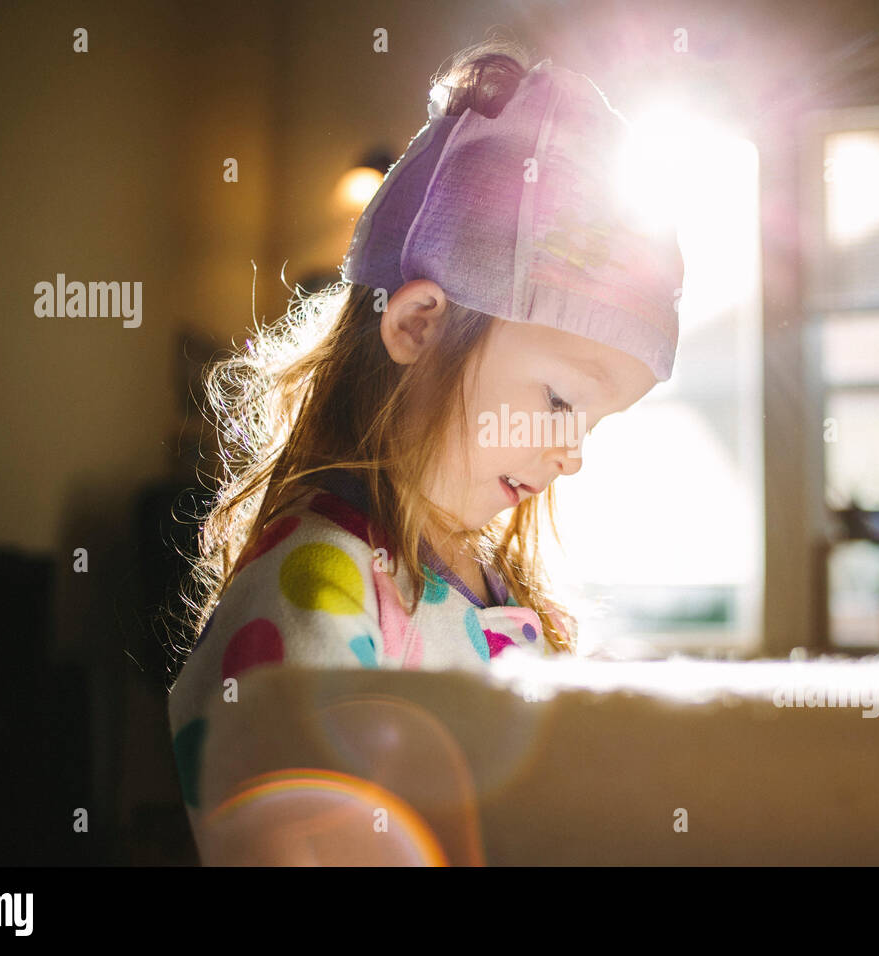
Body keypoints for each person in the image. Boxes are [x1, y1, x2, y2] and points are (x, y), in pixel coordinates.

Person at [166, 37, 684, 864]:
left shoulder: (497, 592)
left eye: (592, 422)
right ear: (417, 323)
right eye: (560, 400)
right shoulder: (314, 592)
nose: (573, 455)